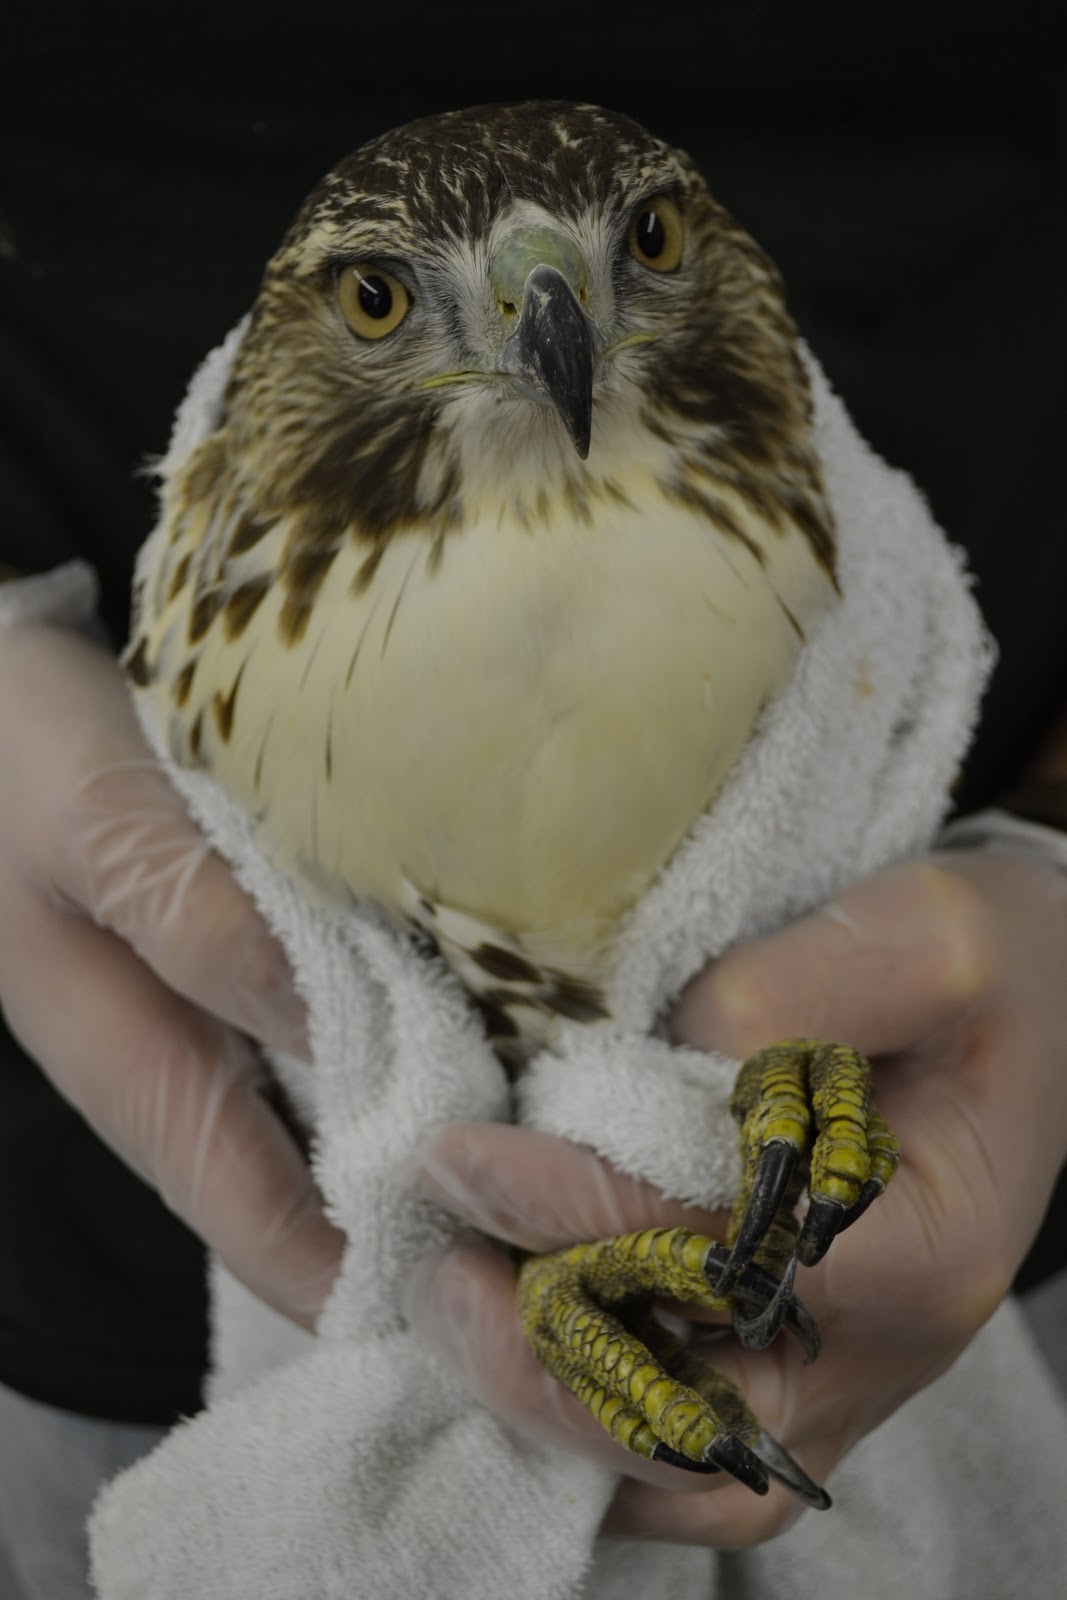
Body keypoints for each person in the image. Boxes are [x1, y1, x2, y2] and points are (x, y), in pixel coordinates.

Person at [1, 2, 1064, 1592]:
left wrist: (1059, 850)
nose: (548, 329)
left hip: (982, 1152)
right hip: (95, 1251)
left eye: (647, 245)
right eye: (381, 298)